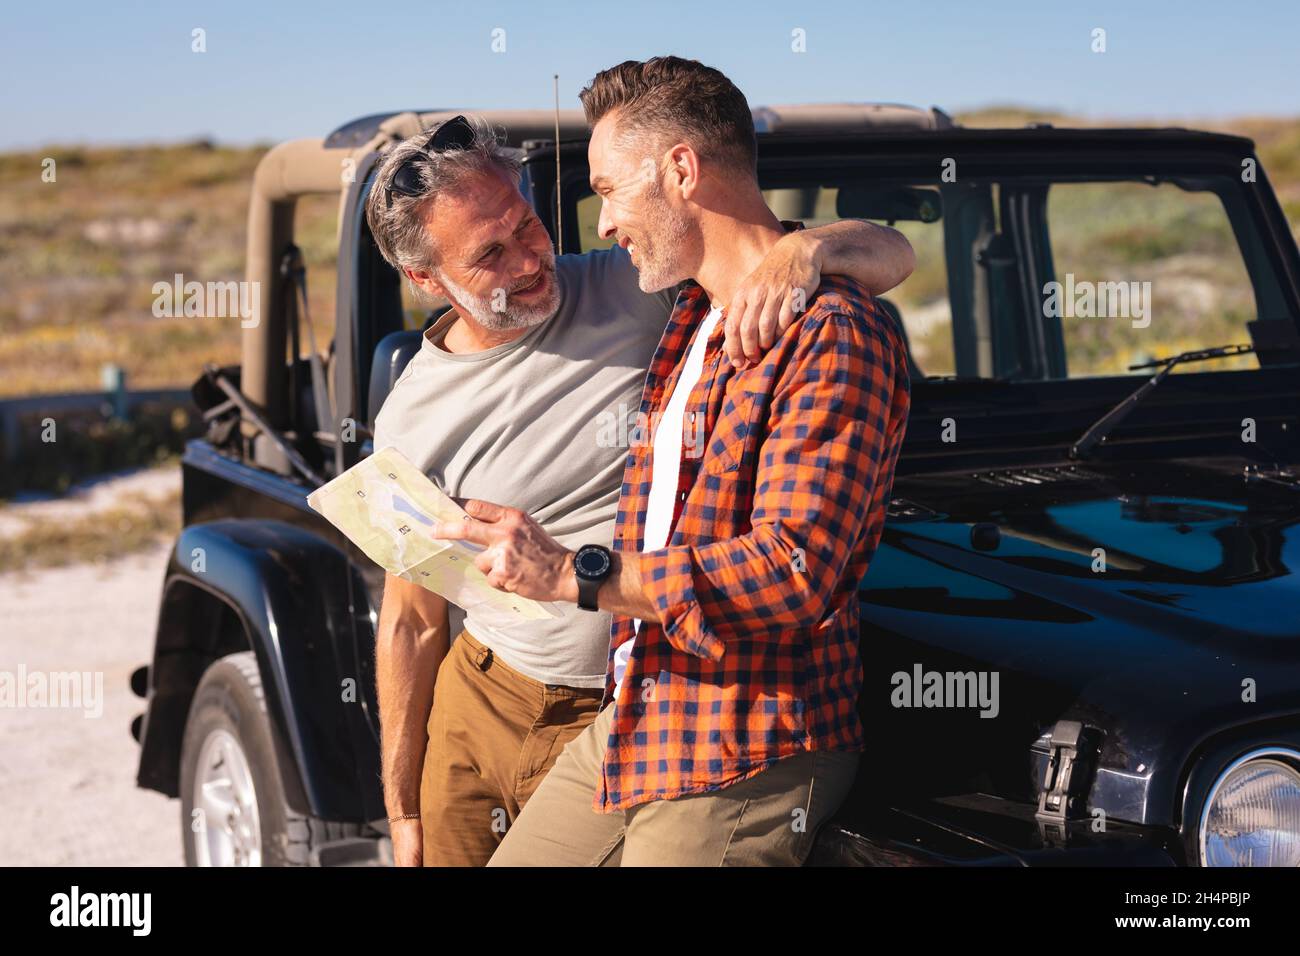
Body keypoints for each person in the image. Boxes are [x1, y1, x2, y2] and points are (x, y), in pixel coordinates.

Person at [365, 109, 915, 866]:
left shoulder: (642, 286)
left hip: (634, 693)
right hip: (483, 697)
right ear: (427, 280)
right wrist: (400, 808)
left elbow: (889, 252)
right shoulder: (406, 417)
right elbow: (412, 622)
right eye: (491, 254)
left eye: (527, 225)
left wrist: (804, 249)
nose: (530, 260)